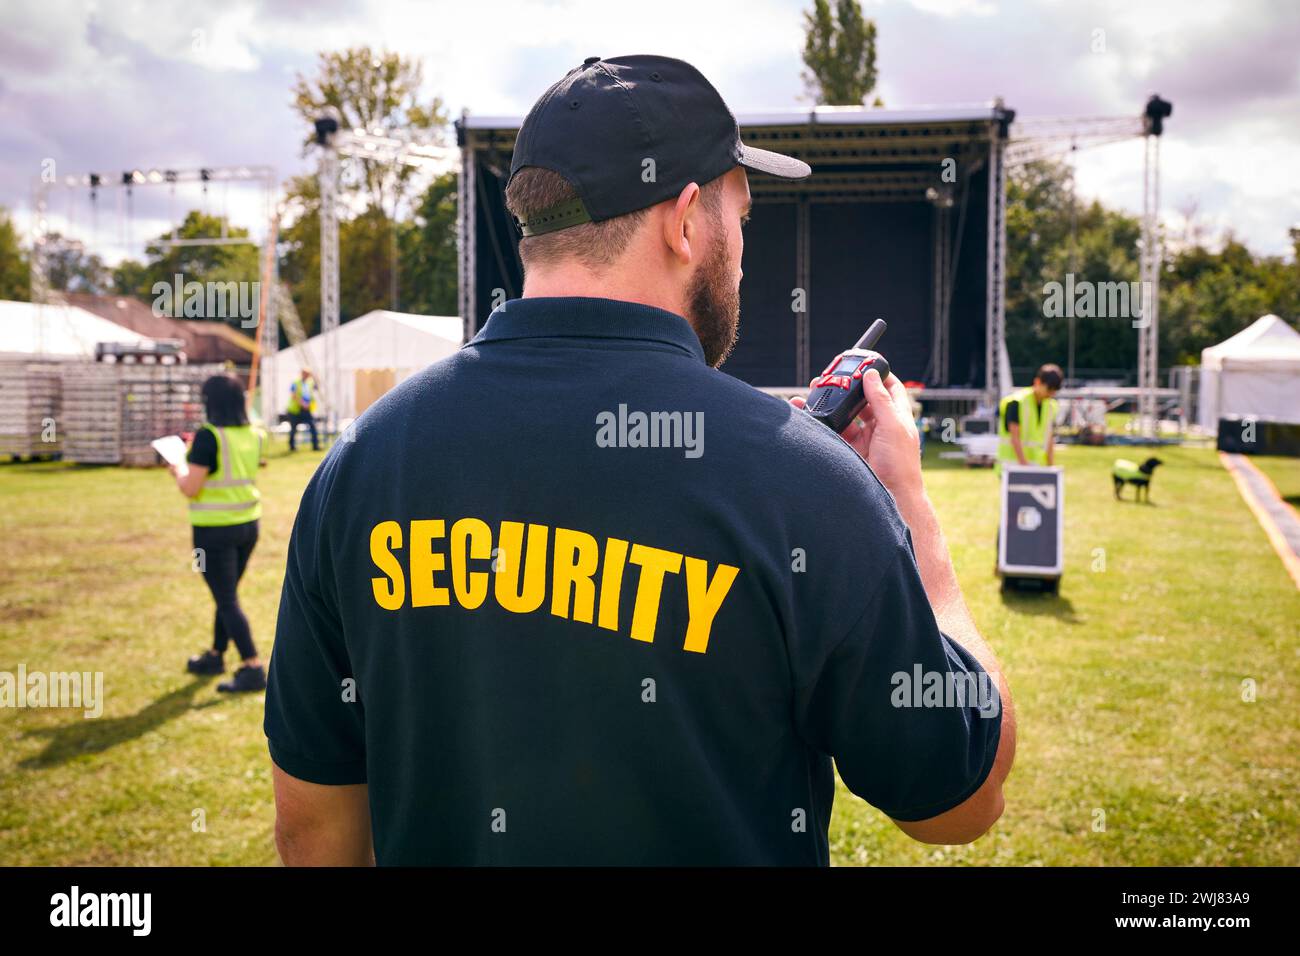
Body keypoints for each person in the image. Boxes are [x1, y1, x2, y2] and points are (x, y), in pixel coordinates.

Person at [265, 54, 1015, 866]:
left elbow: (314, 830)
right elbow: (958, 802)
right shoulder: (805, 484)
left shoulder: (362, 461)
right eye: (743, 218)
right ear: (687, 221)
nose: (743, 251)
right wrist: (909, 511)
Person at [170, 373, 267, 693]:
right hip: (248, 525)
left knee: (226, 598)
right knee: (227, 594)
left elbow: (190, 487)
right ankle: (216, 654)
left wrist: (178, 468)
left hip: (215, 530)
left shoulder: (209, 436)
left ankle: (252, 666)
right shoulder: (253, 434)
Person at [997, 363, 1062, 470]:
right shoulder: (1016, 402)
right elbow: (1015, 438)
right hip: (1011, 466)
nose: (1051, 394)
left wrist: (1051, 467)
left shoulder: (1051, 406)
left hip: (1036, 466)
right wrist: (1024, 467)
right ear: (1037, 382)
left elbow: (1049, 437)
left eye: (1054, 391)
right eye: (1049, 390)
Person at [286, 369, 320, 452]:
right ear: (302, 374)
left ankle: (315, 446)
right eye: (306, 374)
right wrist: (302, 404)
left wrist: (314, 376)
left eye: (308, 374)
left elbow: (317, 386)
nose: (307, 376)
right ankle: (292, 447)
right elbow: (293, 395)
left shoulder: (310, 382)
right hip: (295, 410)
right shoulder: (296, 382)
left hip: (306, 410)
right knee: (293, 429)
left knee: (313, 426)